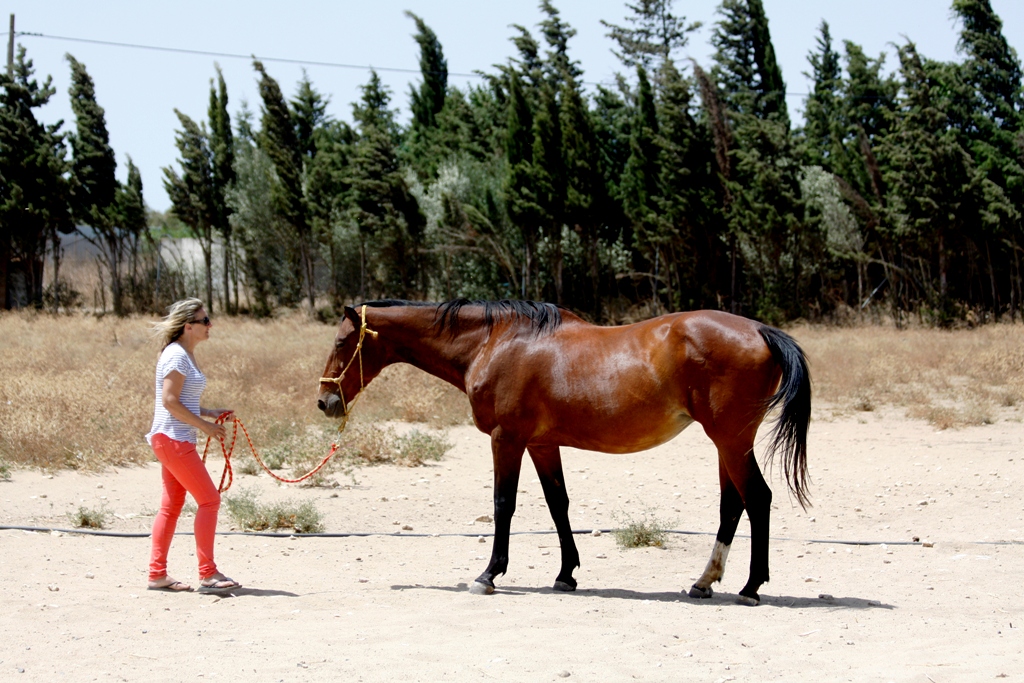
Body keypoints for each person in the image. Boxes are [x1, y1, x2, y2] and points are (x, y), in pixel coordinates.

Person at [145, 298, 241, 594]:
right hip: (174, 440)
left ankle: (157, 574)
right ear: (188, 326)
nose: (210, 325)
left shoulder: (183, 353)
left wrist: (209, 412)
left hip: (171, 438)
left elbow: (181, 401)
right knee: (209, 501)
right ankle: (208, 574)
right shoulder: (177, 356)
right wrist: (206, 427)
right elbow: (170, 401)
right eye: (205, 320)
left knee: (171, 506)